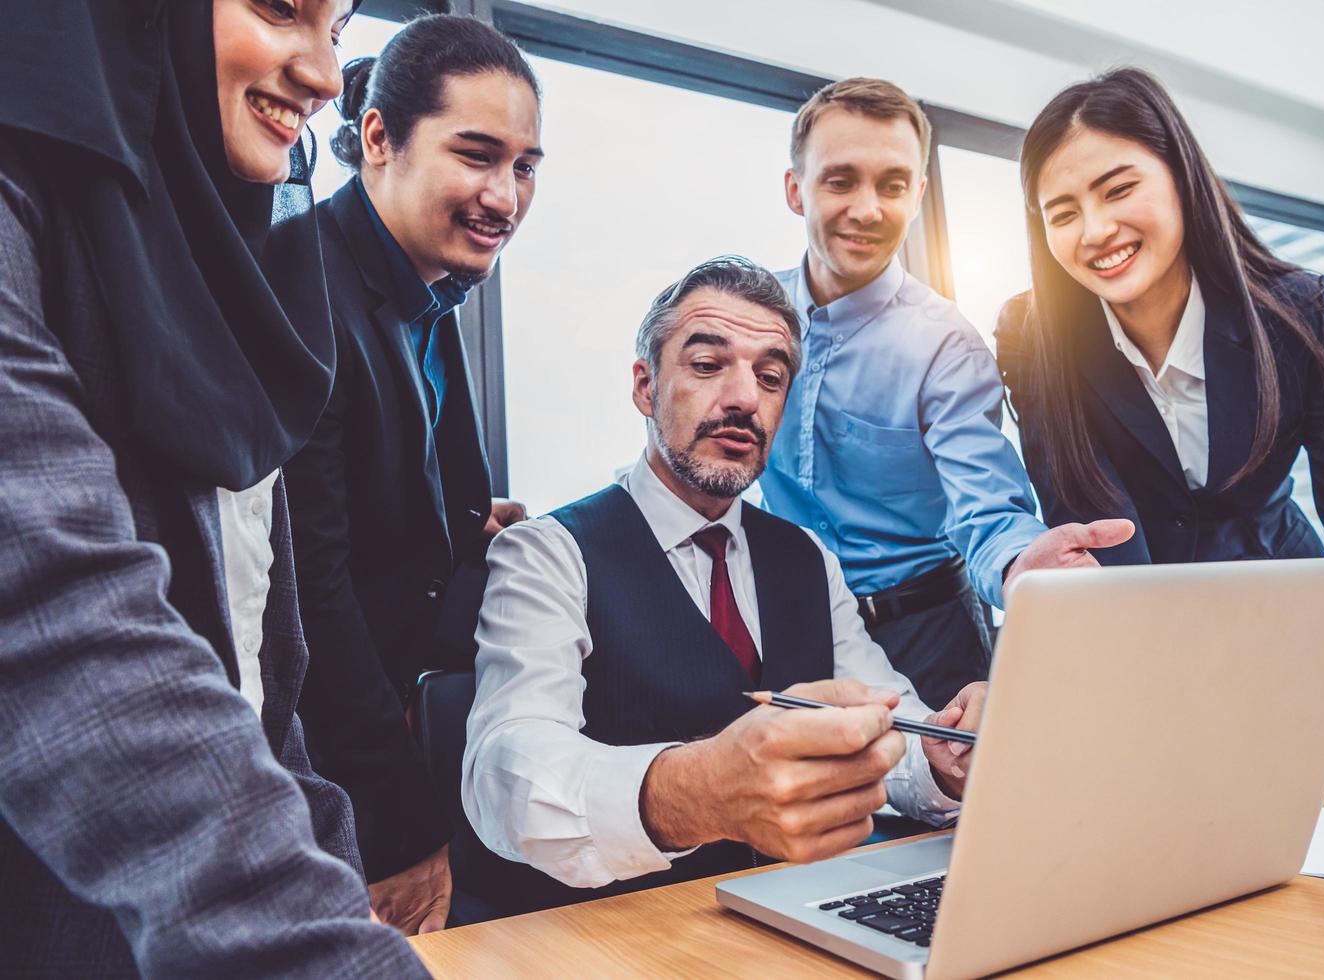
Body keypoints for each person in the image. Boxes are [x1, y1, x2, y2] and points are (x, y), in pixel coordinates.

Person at [0, 0, 427, 974]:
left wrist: (336, 896)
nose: (323, 72)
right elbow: (60, 620)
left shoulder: (221, 272)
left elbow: (261, 686)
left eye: (339, 25)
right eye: (281, 7)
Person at [461, 257, 990, 915]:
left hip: (794, 917)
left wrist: (940, 754)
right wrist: (694, 793)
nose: (744, 398)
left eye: (769, 377)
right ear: (644, 387)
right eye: (708, 366)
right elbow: (504, 773)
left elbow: (886, 725)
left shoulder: (806, 558)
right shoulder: (546, 552)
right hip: (621, 935)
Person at [995, 67, 1324, 763]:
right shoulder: (1032, 337)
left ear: (1180, 177)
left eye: (1119, 189)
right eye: (1062, 212)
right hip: (1144, 645)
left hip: (1295, 640)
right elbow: (1087, 514)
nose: (1095, 230)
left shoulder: (1299, 313)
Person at [283, 14, 541, 934]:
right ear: (380, 139)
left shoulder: (433, 289)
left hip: (407, 728)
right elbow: (307, 588)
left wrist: (466, 528)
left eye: (524, 166)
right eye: (476, 155)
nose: (504, 196)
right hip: (325, 777)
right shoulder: (300, 279)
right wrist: (396, 829)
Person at [761, 78, 1132, 709]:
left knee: (958, 807)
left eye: (894, 184)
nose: (869, 208)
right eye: (841, 180)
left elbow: (985, 508)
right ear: (797, 190)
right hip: (792, 627)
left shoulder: (947, 347)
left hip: (927, 635)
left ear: (919, 195)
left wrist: (1022, 566)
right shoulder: (751, 316)